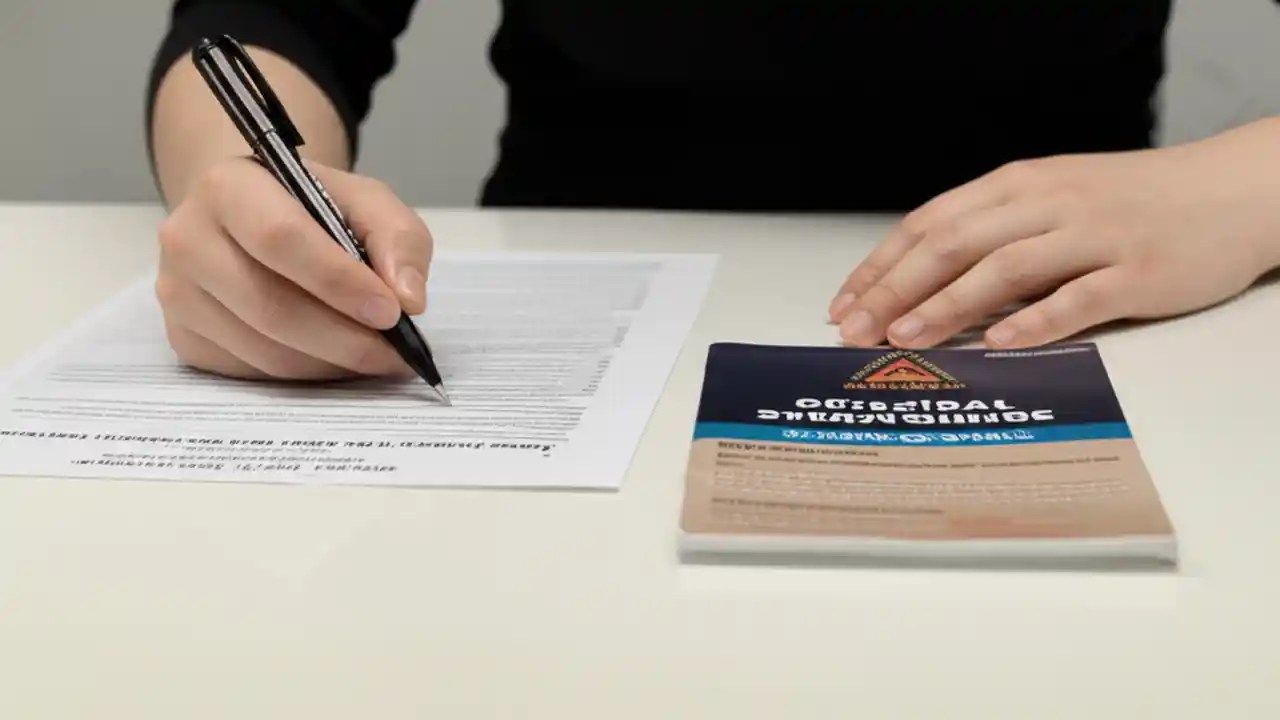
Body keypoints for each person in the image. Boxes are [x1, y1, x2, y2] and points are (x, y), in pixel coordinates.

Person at [145, 1, 1280, 381]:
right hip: (575, 313)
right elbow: (263, 20)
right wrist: (241, 189)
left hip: (1092, 324)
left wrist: (1242, 183)